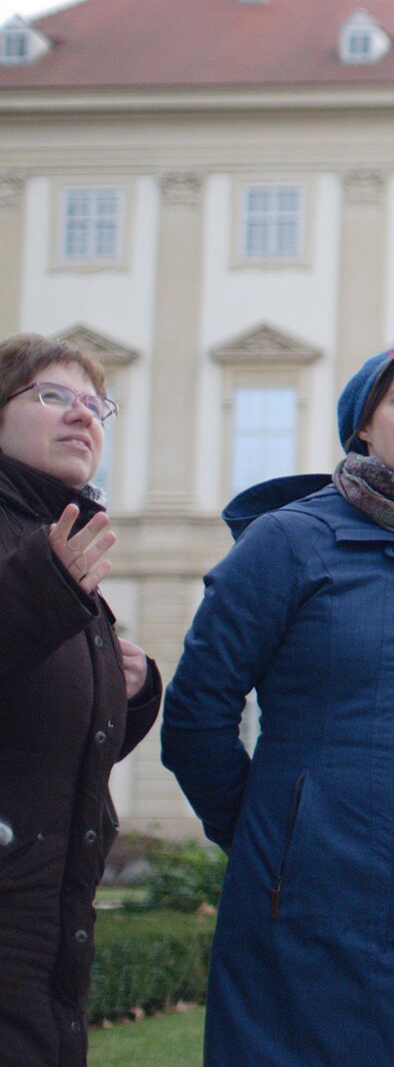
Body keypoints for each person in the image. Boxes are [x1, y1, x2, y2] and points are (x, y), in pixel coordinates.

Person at [160, 337, 394, 1067]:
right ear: (363, 423)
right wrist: (277, 835)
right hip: (301, 908)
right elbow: (196, 714)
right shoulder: (287, 543)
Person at [0, 334, 160, 1067]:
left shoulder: (62, 546)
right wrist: (41, 591)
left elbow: (49, 739)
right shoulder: (45, 557)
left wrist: (130, 694)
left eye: (97, 405)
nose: (82, 416)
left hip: (47, 924)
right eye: (53, 396)